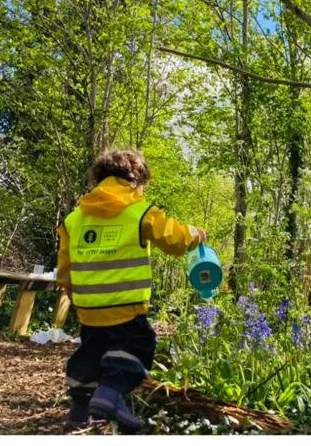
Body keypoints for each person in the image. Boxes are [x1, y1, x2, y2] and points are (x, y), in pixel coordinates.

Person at [57, 148, 207, 432]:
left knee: (90, 355)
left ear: (99, 179)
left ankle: (78, 412)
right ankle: (109, 394)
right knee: (137, 347)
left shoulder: (74, 220)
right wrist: (196, 234)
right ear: (136, 180)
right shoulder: (140, 212)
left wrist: (75, 298)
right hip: (126, 307)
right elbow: (174, 238)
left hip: (89, 310)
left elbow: (65, 268)